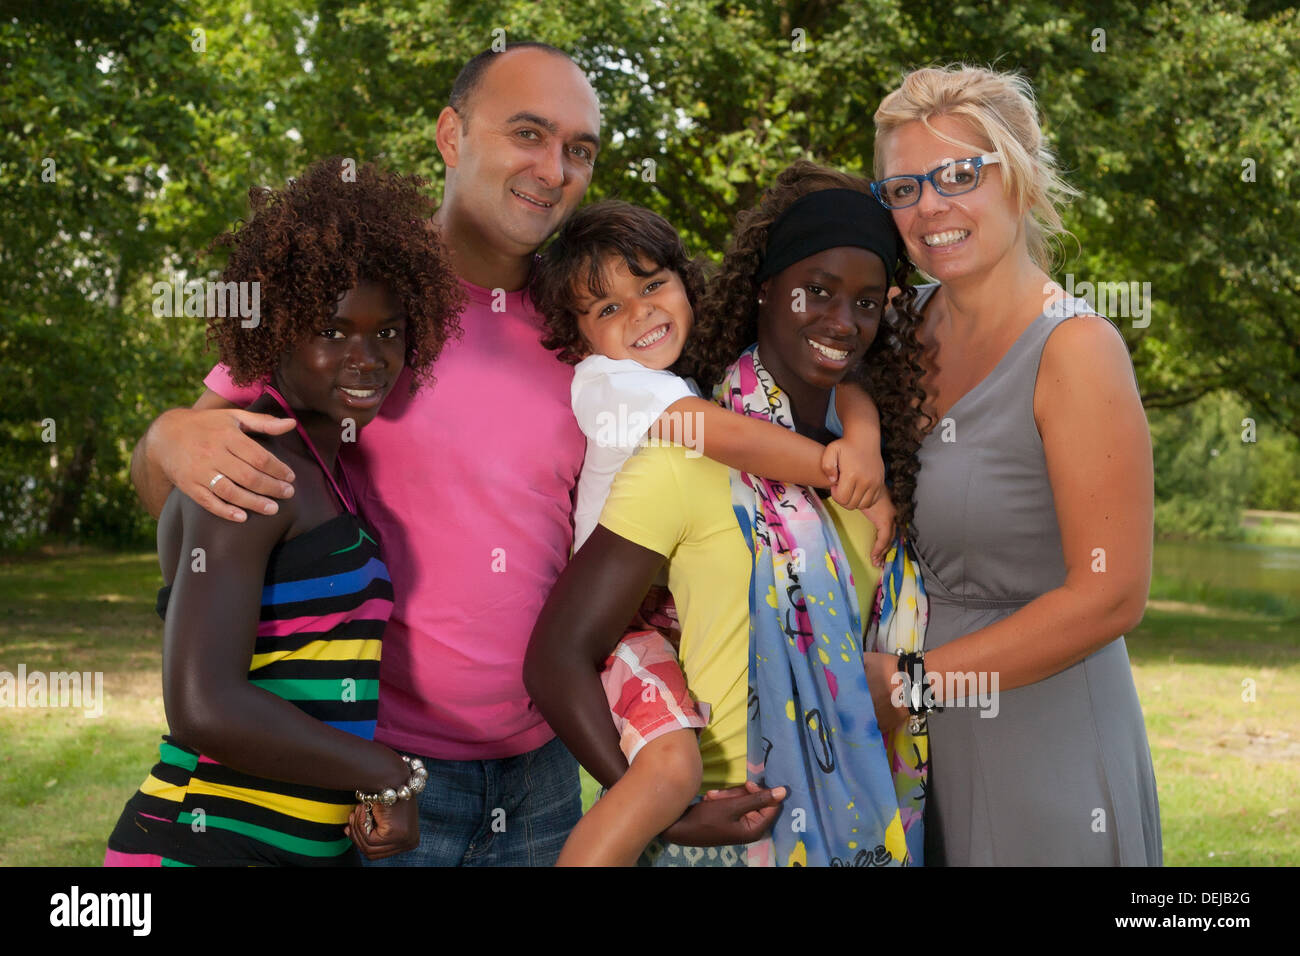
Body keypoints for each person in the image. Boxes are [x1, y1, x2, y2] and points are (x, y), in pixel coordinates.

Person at [127, 43, 603, 866]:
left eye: (580, 149)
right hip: (376, 774)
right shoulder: (349, 297)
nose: (554, 168)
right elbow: (172, 487)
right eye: (528, 132)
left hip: (542, 773)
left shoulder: (588, 325)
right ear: (452, 135)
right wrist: (168, 433)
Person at [525, 161, 930, 866]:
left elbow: (900, 678)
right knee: (665, 766)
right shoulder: (675, 444)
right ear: (764, 288)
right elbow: (557, 655)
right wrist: (667, 814)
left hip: (854, 824)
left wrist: (858, 451)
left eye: (866, 302)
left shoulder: (870, 478)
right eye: (816, 291)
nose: (840, 319)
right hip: (721, 832)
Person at [106, 158, 463, 866]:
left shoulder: (322, 465)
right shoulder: (250, 464)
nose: (366, 359)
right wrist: (391, 776)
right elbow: (204, 704)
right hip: (202, 843)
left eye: (387, 332)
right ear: (274, 332)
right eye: (331, 333)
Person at [861, 64, 1162, 865]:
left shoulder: (1077, 351)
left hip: (1041, 742)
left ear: (1020, 178)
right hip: (912, 766)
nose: (930, 206)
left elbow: (1112, 596)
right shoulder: (889, 329)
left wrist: (906, 685)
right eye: (902, 188)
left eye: (959, 174)